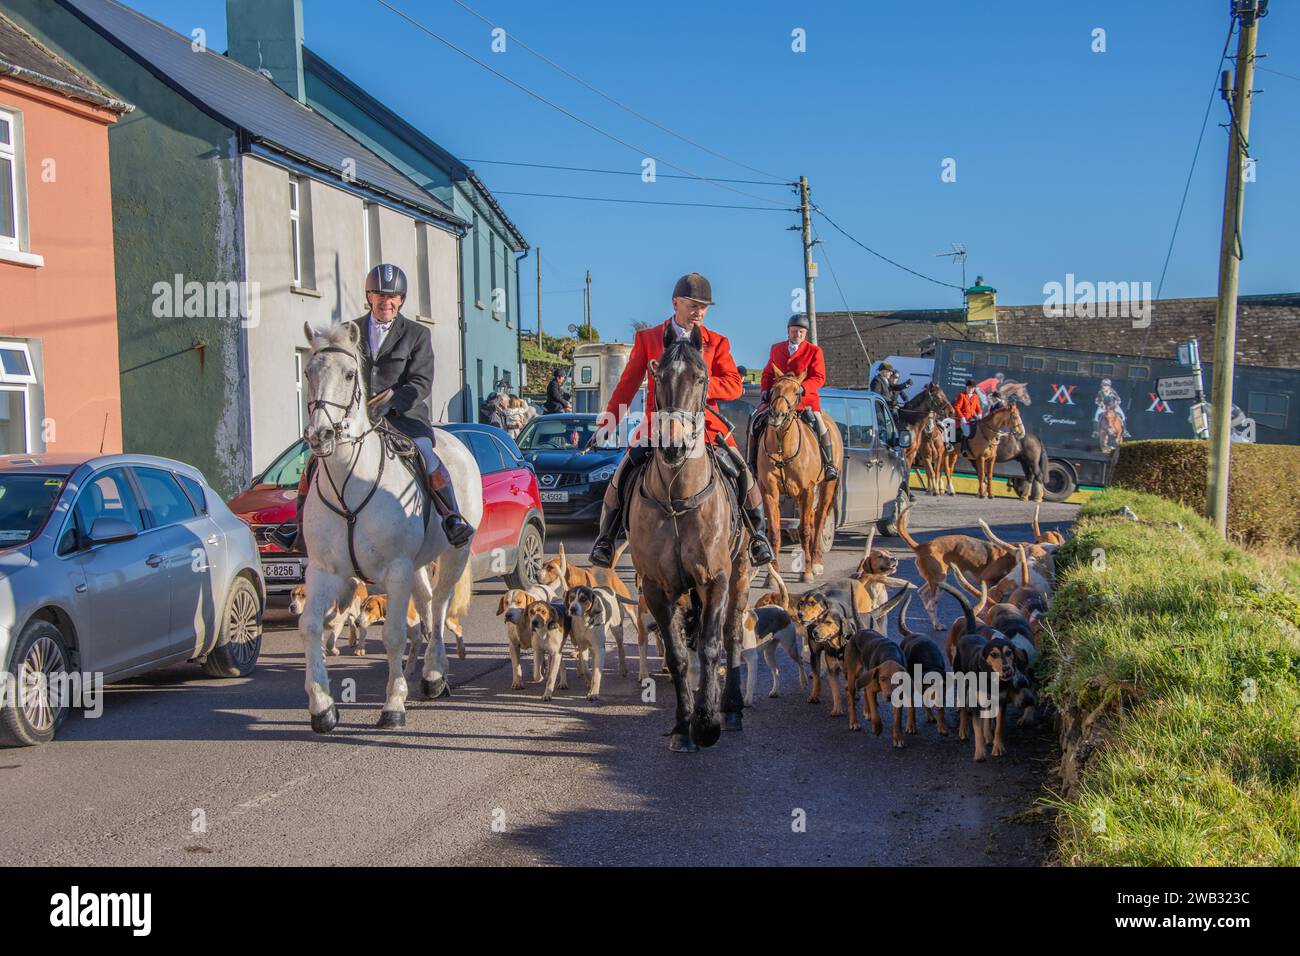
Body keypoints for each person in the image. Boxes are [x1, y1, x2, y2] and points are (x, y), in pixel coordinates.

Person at [273, 263, 473, 551]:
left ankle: (451, 517)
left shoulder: (417, 334)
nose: (386, 302)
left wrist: (391, 402)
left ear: (401, 300)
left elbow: (421, 382)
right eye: (379, 295)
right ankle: (298, 524)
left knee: (427, 456)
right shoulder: (347, 331)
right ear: (369, 297)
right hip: (355, 419)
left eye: (393, 297)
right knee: (314, 461)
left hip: (404, 417)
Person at [587, 273, 774, 569]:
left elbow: (735, 385)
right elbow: (627, 384)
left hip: (705, 429)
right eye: (692, 305)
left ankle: (758, 536)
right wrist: (607, 422)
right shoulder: (648, 339)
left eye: (704, 307)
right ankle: (606, 540)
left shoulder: (717, 343)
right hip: (657, 428)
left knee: (741, 471)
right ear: (676, 303)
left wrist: (696, 385)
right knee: (622, 473)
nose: (698, 311)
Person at [749, 313, 838, 480]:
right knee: (754, 420)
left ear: (805, 334)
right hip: (779, 400)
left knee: (820, 424)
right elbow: (768, 373)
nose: (797, 334)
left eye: (801, 332)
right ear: (788, 331)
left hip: (804, 401)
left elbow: (819, 377)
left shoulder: (814, 351)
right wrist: (764, 390)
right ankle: (752, 462)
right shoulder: (776, 348)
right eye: (794, 331)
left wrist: (803, 388)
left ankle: (829, 464)